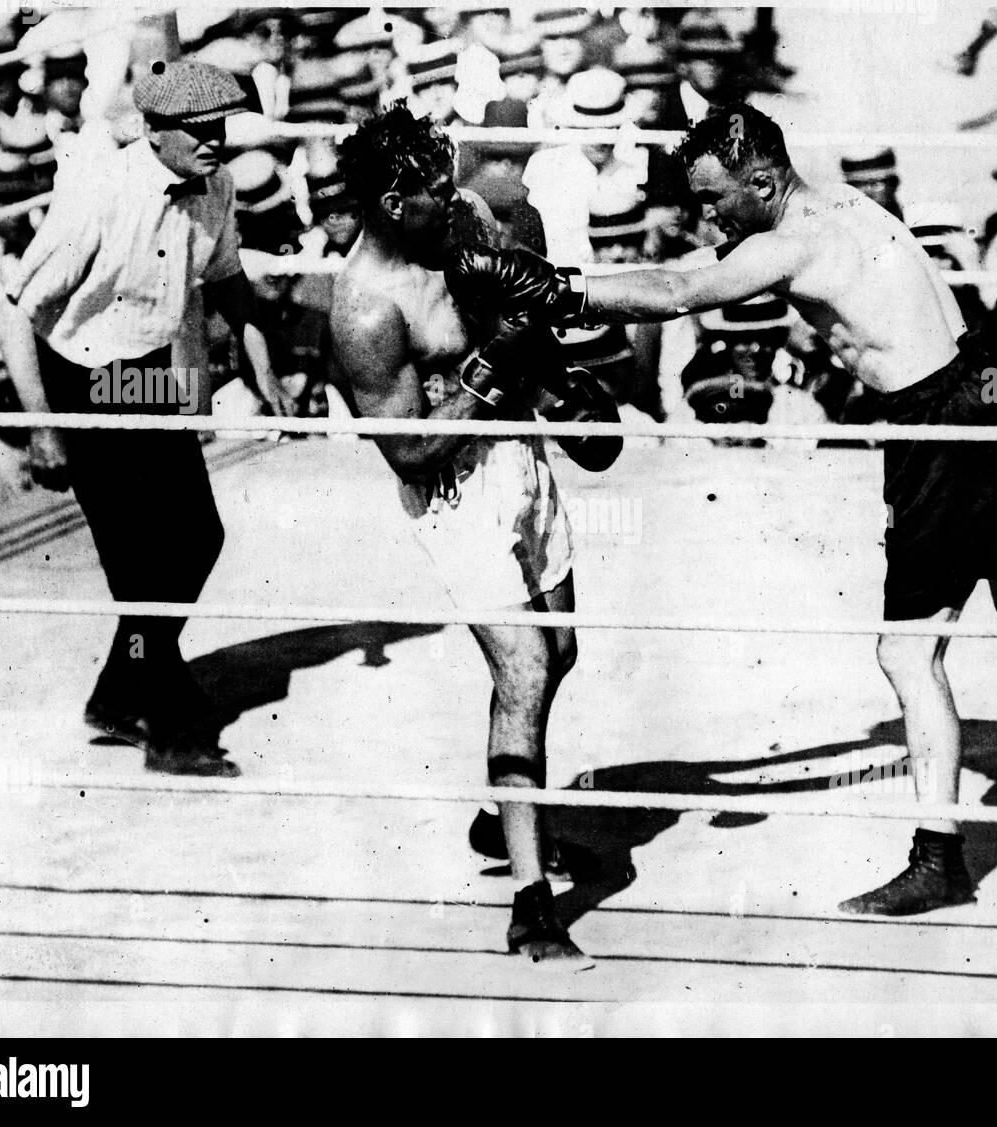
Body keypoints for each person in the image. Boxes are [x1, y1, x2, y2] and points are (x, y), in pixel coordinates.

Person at [470, 103, 997, 916]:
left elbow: (680, 287)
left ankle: (939, 857)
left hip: (937, 429)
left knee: (908, 656)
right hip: (982, 387)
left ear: (761, 181)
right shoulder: (833, 201)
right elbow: (712, 258)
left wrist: (562, 289)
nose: (707, 214)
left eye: (715, 198)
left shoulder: (795, 240)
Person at [328, 103, 620, 966]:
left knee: (557, 649)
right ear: (389, 202)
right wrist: (492, 370)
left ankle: (501, 821)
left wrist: (556, 380)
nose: (448, 203)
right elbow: (410, 450)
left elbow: (519, 311)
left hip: (517, 455)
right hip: (451, 490)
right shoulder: (365, 310)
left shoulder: (461, 221)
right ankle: (533, 906)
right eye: (427, 193)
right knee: (523, 666)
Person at [5, 60, 295, 778]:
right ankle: (167, 726)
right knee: (141, 566)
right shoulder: (101, 192)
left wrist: (265, 373)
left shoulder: (218, 186)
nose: (214, 142)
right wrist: (45, 429)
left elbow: (227, 278)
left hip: (144, 375)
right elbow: (21, 313)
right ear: (152, 131)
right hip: (78, 376)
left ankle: (121, 688)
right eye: (197, 131)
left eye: (220, 127)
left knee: (196, 536)